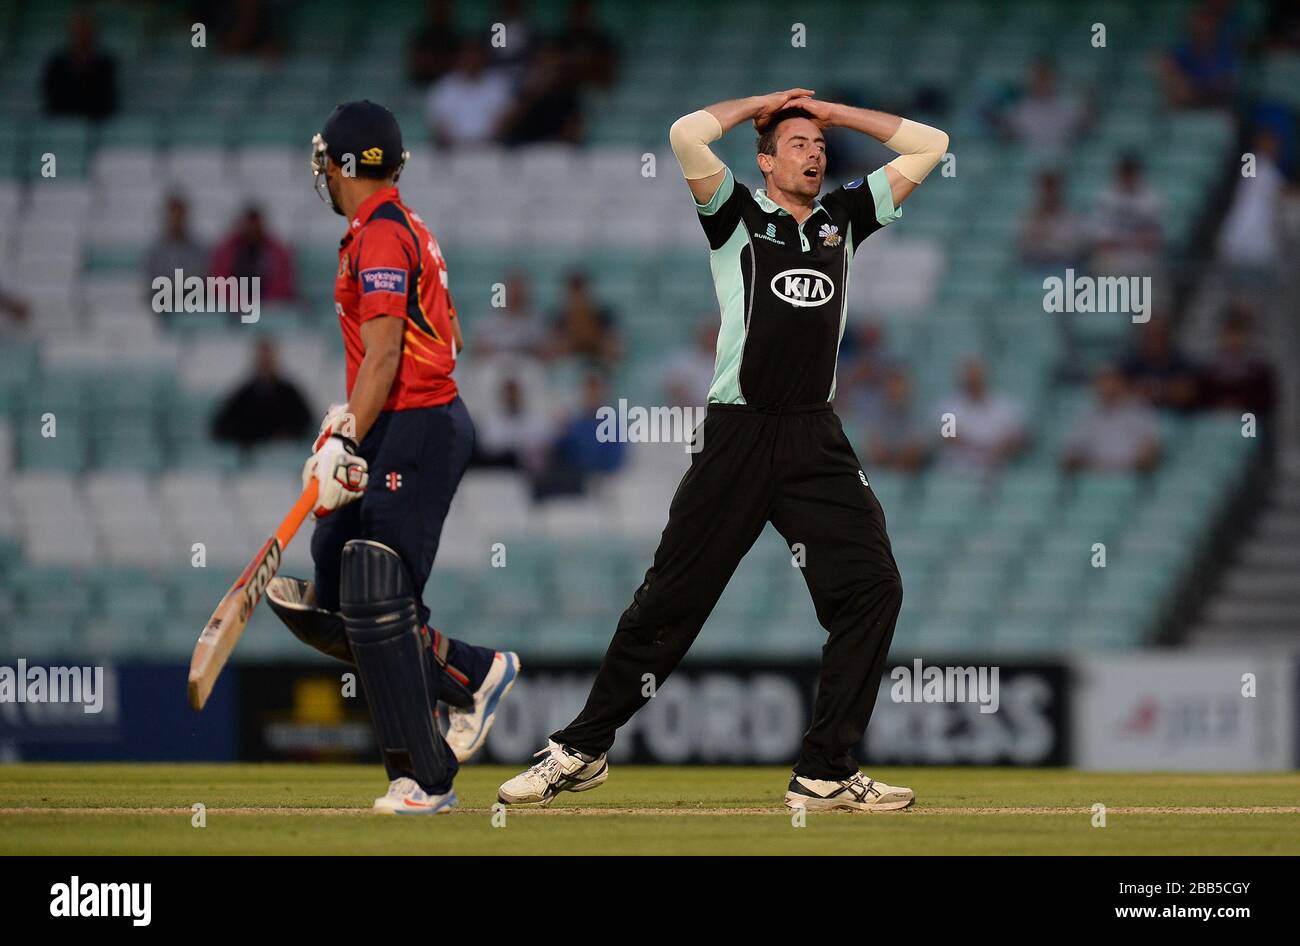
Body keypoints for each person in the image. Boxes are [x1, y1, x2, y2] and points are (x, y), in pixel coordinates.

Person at [499, 89, 948, 813]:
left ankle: (826, 768)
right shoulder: (736, 215)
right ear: (766, 162)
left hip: (814, 435)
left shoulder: (843, 221)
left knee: (873, 588)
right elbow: (684, 133)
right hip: (738, 434)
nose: (814, 153)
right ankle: (580, 750)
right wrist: (767, 105)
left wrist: (835, 113)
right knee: (670, 601)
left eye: (819, 146)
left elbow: (931, 145)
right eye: (797, 144)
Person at [266, 101, 519, 815]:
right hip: (397, 422)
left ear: (346, 165)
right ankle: (471, 673)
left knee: (376, 589)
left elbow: (385, 354)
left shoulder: (379, 237)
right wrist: (351, 422)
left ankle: (425, 780)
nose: (322, 172)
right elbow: (452, 334)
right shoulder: (408, 231)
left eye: (326, 160)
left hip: (420, 426)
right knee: (336, 595)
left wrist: (350, 434)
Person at [211, 340, 313, 447]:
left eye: (268, 359)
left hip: (284, 456)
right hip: (251, 459)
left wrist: (288, 435)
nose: (265, 363)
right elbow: (221, 427)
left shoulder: (290, 394)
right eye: (262, 359)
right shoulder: (243, 396)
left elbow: (306, 423)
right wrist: (246, 437)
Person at [1061, 367, 1162, 473]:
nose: (1108, 388)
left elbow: (1151, 449)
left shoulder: (1141, 411)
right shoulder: (1085, 414)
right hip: (1092, 477)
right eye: (1103, 384)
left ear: (1123, 385)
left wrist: (1136, 464)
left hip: (1132, 477)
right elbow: (1071, 452)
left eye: (1113, 383)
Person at [937, 356, 1027, 473]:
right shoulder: (949, 407)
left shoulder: (1005, 406)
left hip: (996, 473)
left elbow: (1016, 437)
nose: (974, 380)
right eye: (970, 377)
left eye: (977, 376)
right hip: (955, 472)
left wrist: (998, 449)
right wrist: (982, 448)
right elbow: (948, 435)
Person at [425, 40, 515, 147]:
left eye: (475, 56)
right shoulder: (443, 88)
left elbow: (506, 122)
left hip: (491, 148)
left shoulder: (498, 85)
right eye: (467, 56)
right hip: (455, 151)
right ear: (459, 58)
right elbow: (440, 127)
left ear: (483, 57)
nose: (472, 60)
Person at [209, 206, 297, 304]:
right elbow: (219, 280)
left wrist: (264, 301)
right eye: (249, 225)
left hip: (267, 306)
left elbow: (282, 282)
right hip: (233, 305)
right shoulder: (228, 250)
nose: (252, 229)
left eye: (255, 225)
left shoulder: (275, 252)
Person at [42, 11, 117, 120]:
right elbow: (52, 96)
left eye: (86, 30)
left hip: (96, 123)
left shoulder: (106, 64)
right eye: (79, 30)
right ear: (71, 32)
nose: (82, 34)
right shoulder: (56, 63)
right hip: (62, 122)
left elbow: (107, 98)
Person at [1118, 318, 1201, 412]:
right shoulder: (1131, 362)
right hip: (1138, 416)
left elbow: (1186, 392)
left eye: (1160, 334)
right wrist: (1167, 390)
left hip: (1177, 417)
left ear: (1168, 336)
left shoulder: (1182, 362)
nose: (1155, 339)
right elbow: (1118, 390)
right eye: (1151, 335)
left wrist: (1151, 390)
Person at [144, 194, 209, 301]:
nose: (176, 221)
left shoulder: (199, 250)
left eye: (180, 217)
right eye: (173, 217)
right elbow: (155, 282)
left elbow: (201, 278)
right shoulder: (155, 251)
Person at [865, 367, 930, 472]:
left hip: (911, 472)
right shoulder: (875, 415)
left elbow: (917, 449)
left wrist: (900, 461)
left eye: (900, 386)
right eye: (892, 385)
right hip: (881, 472)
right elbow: (874, 450)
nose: (896, 391)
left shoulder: (918, 414)